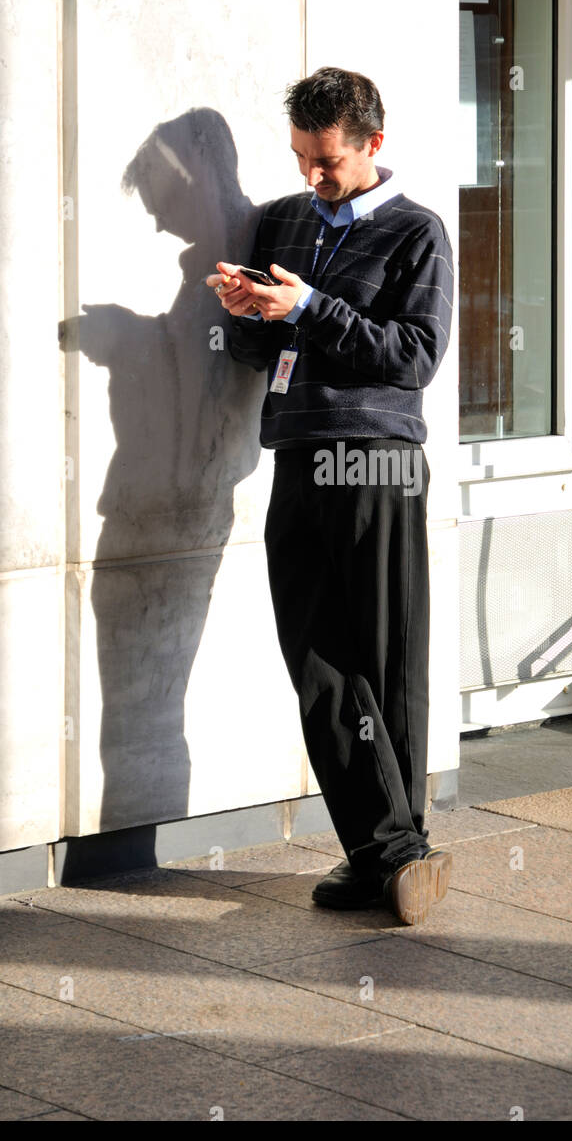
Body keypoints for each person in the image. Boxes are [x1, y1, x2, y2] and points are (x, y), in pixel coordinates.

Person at [206, 67, 454, 925]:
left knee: (386, 659)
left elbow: (413, 358)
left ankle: (385, 849)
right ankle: (391, 853)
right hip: (299, 454)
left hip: (378, 459)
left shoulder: (417, 233)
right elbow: (253, 352)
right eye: (302, 158)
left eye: (328, 161)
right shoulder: (278, 221)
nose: (313, 176)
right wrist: (247, 311)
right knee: (315, 660)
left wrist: (308, 306)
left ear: (372, 145)